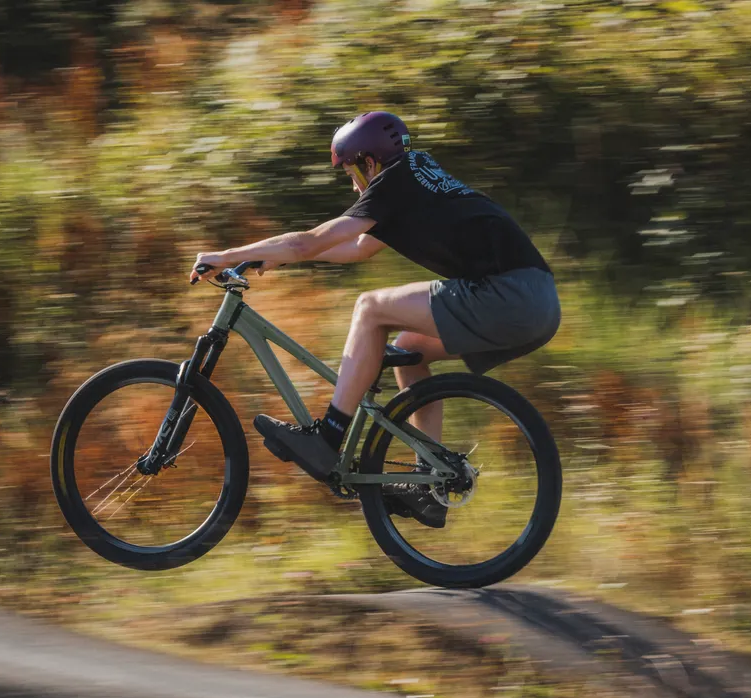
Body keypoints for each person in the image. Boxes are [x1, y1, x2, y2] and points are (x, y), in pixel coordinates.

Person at [190, 111, 560, 528]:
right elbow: (357, 248)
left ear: (369, 162)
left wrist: (227, 256)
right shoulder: (416, 173)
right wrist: (275, 256)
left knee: (370, 308)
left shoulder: (393, 182)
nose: (353, 185)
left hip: (508, 295)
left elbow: (310, 242)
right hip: (539, 300)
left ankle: (328, 438)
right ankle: (430, 483)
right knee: (410, 350)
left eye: (352, 173)